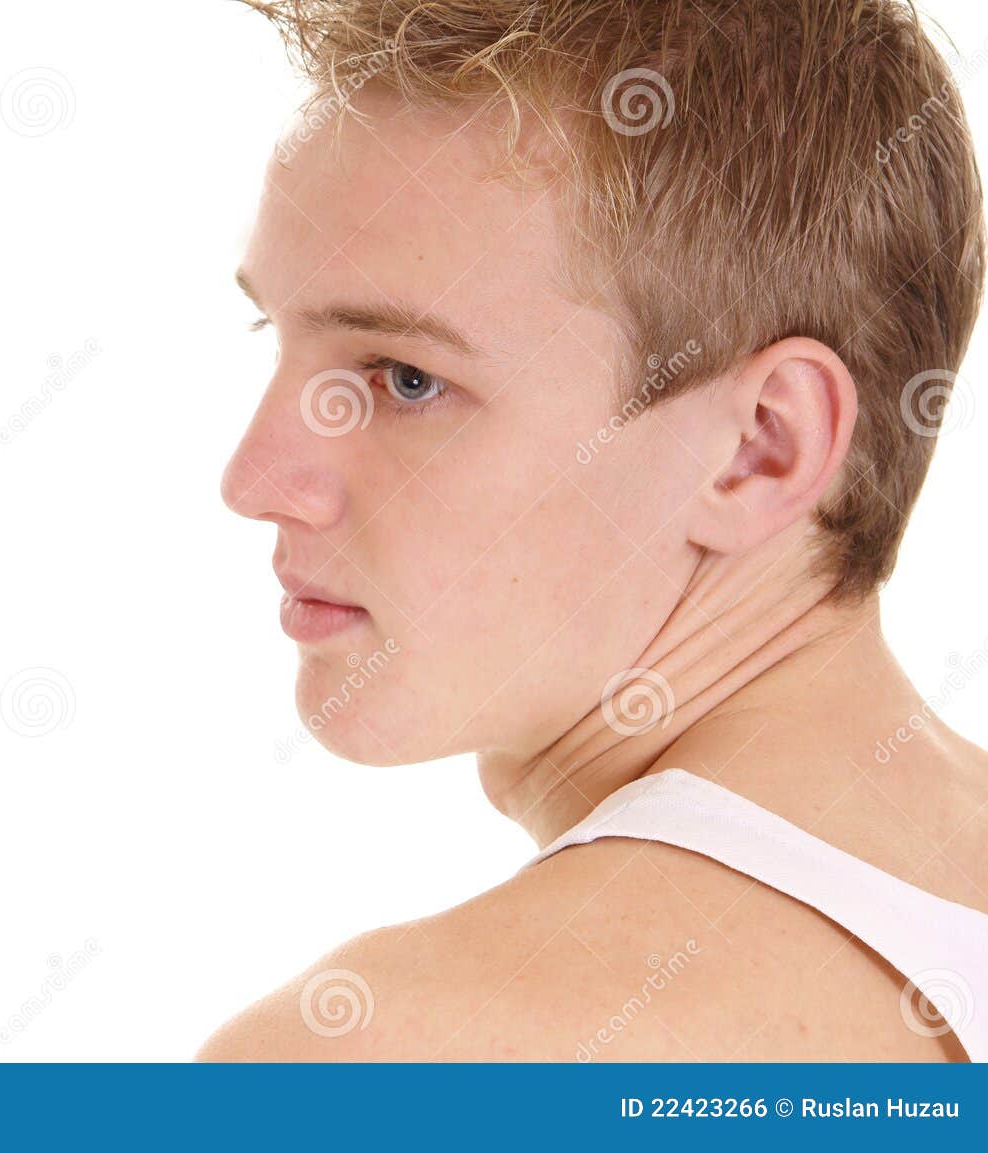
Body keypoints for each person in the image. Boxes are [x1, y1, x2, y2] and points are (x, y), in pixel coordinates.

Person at [200, 0, 988, 1061]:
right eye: (275, 332)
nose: (254, 480)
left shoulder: (386, 1060)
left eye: (404, 378)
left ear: (761, 446)